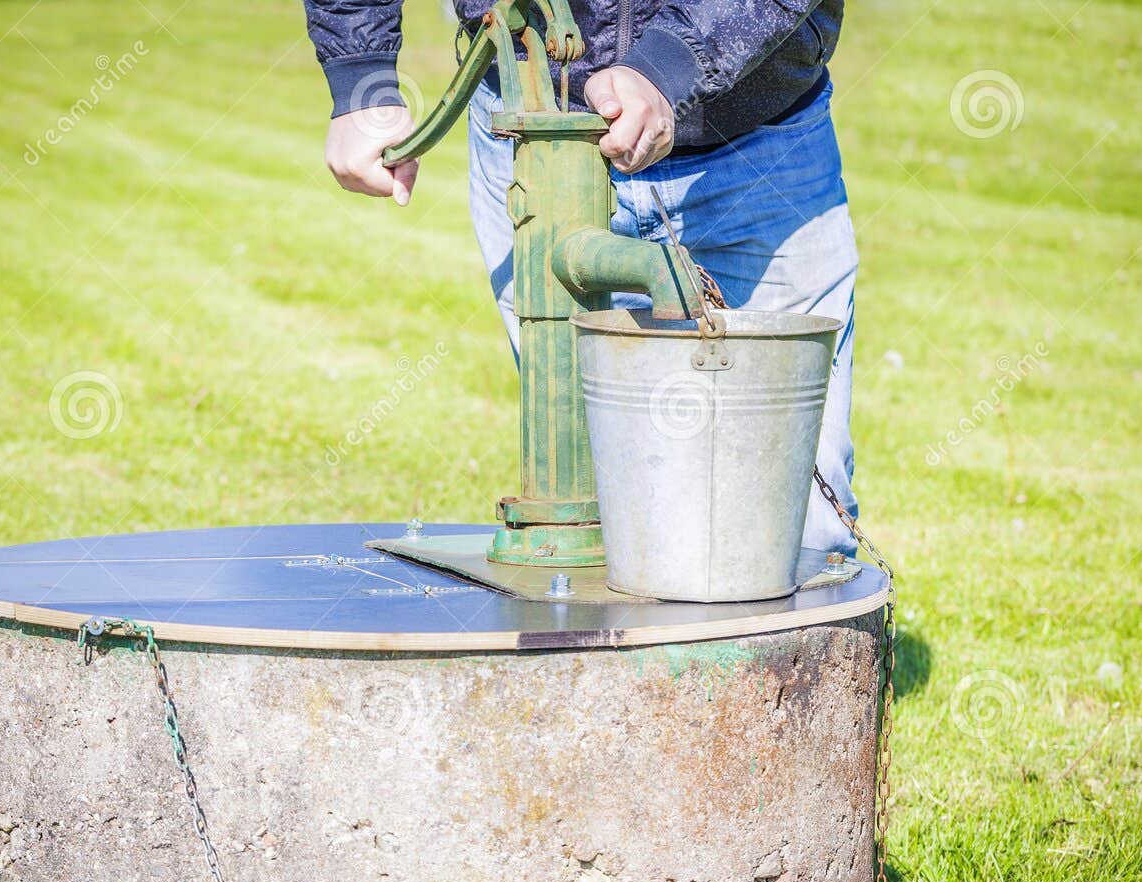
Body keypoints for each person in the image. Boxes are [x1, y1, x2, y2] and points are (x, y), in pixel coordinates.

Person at [303, 1, 858, 555]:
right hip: (534, 131)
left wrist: (672, 63)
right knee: (602, 512)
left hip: (757, 137)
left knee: (797, 527)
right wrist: (360, 69)